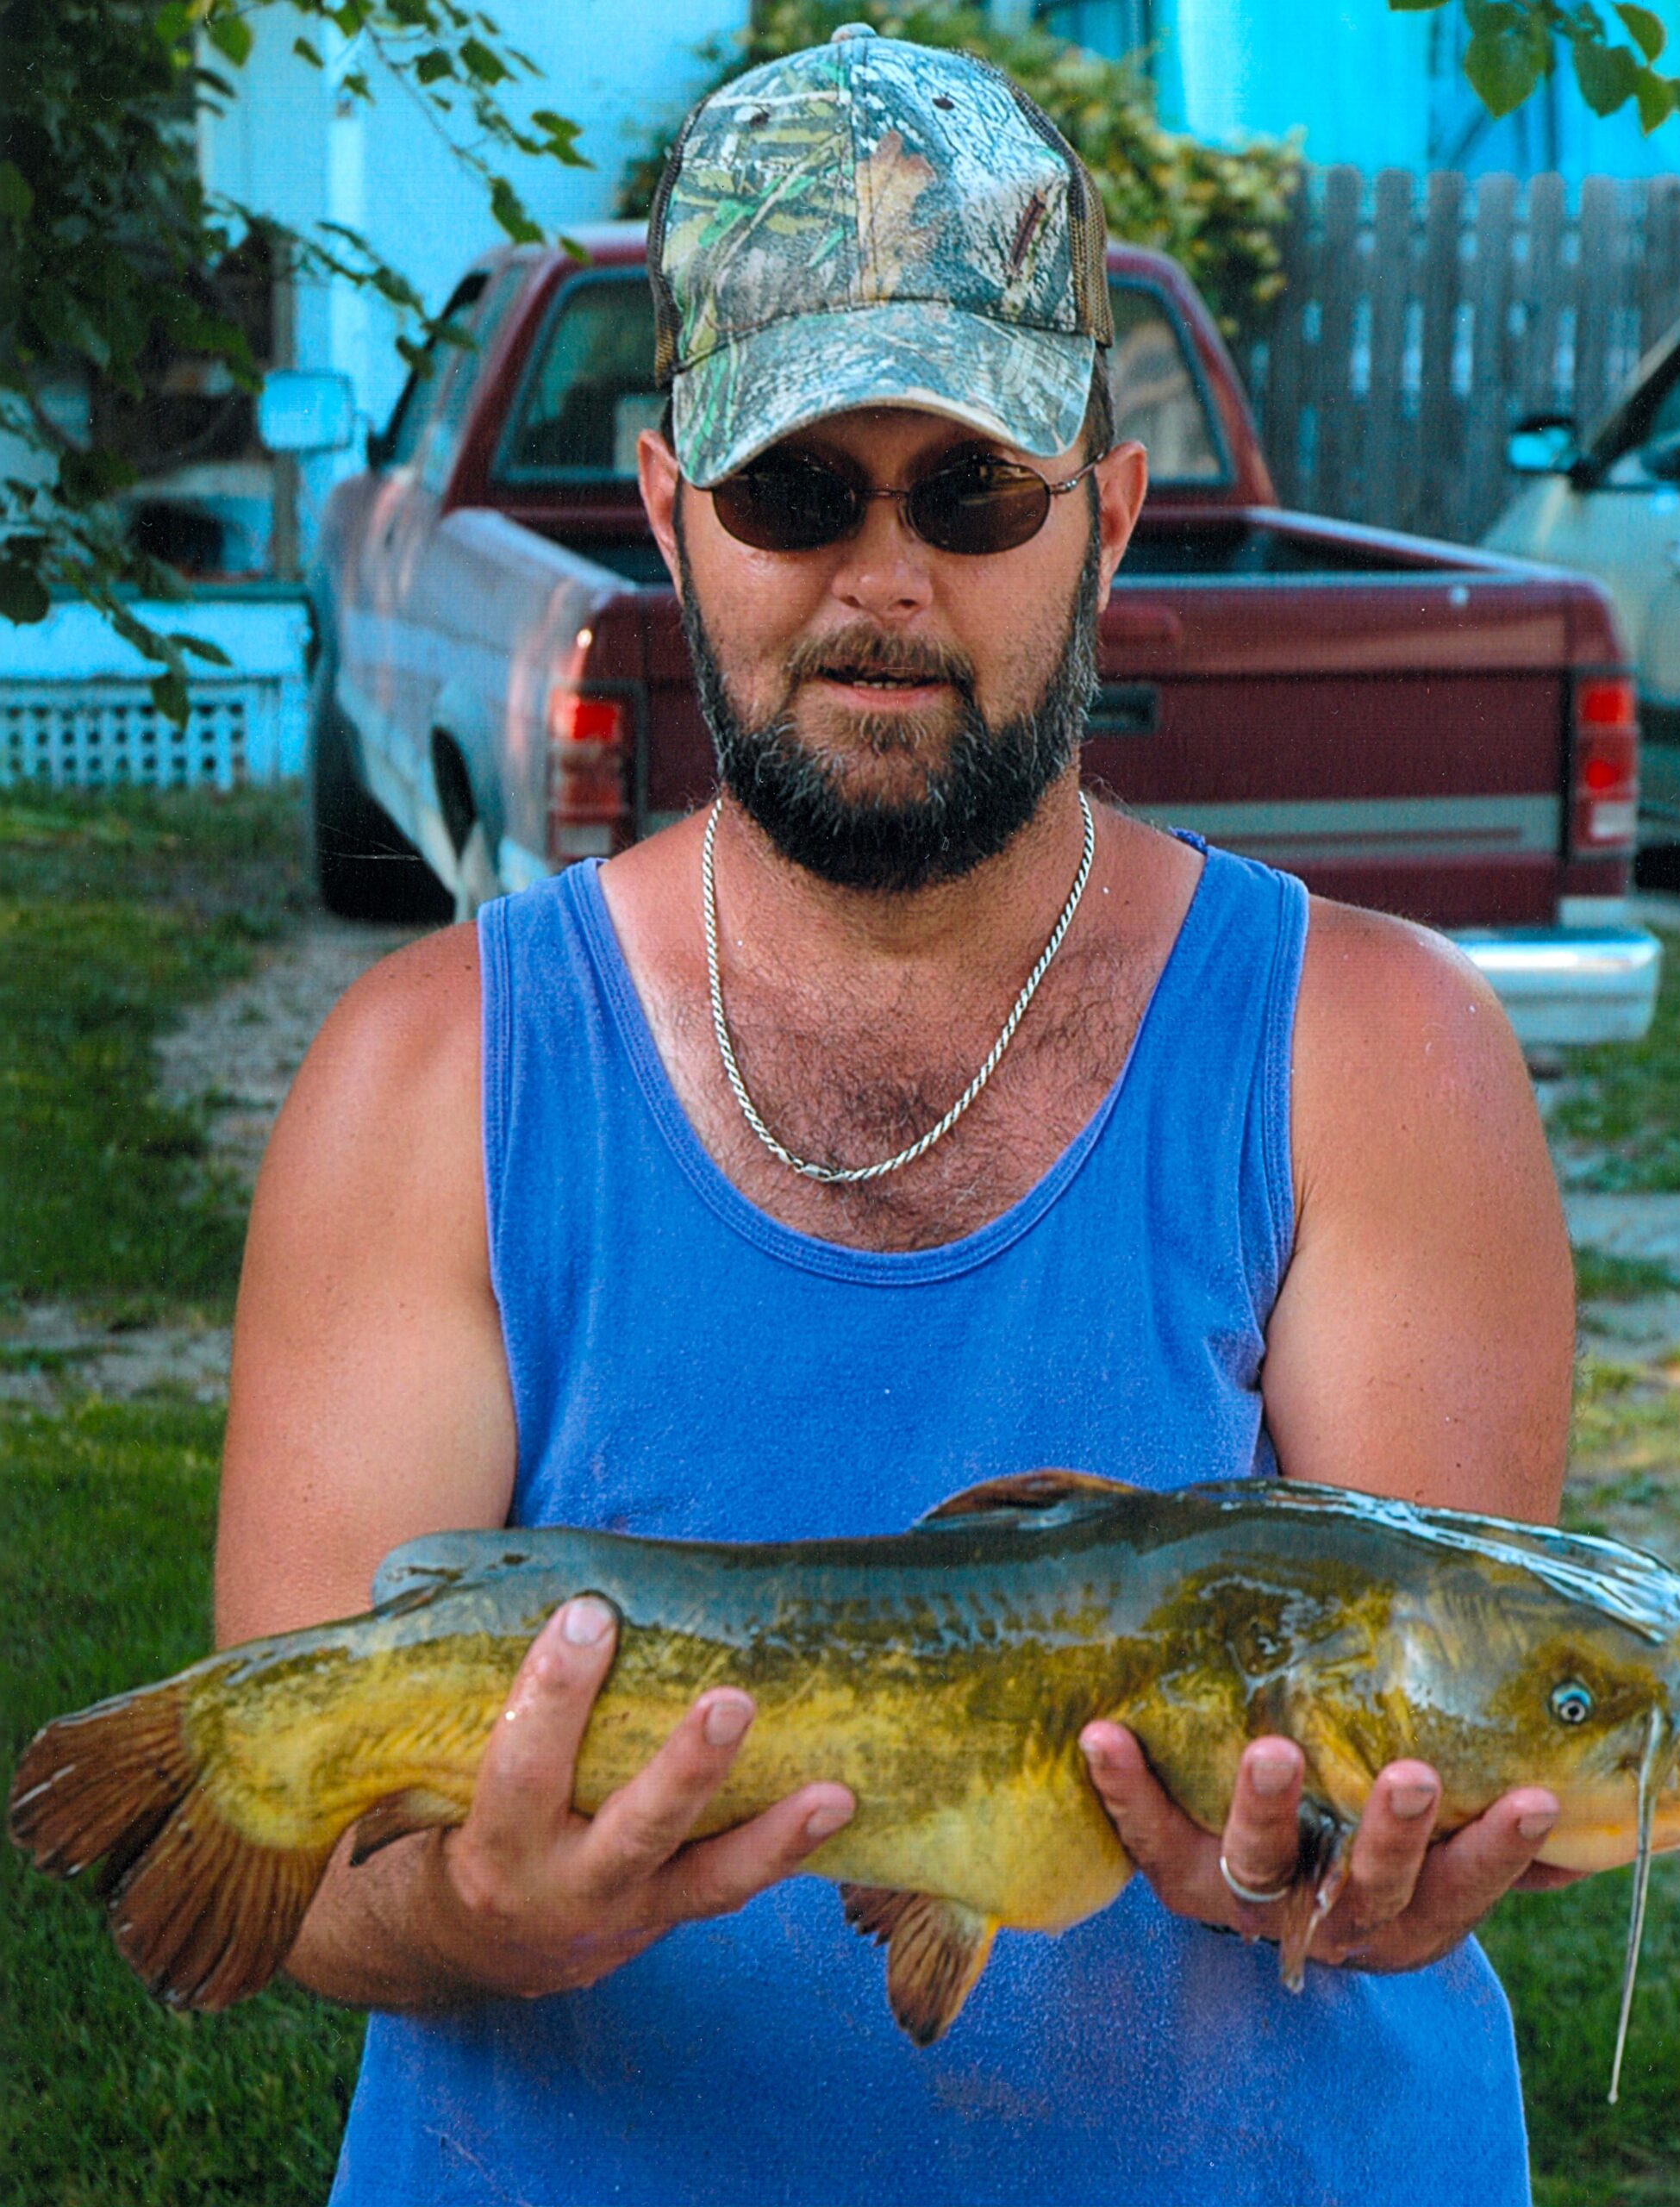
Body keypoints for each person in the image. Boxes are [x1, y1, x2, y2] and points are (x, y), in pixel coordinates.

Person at [215, 26, 1576, 2204]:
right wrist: (455, 1917)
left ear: (1104, 514)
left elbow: (1421, 1754)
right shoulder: (423, 1080)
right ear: (669, 513)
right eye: (789, 490)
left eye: (967, 490)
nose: (880, 581)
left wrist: (1345, 1866)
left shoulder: (1378, 1056)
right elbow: (273, 1854)